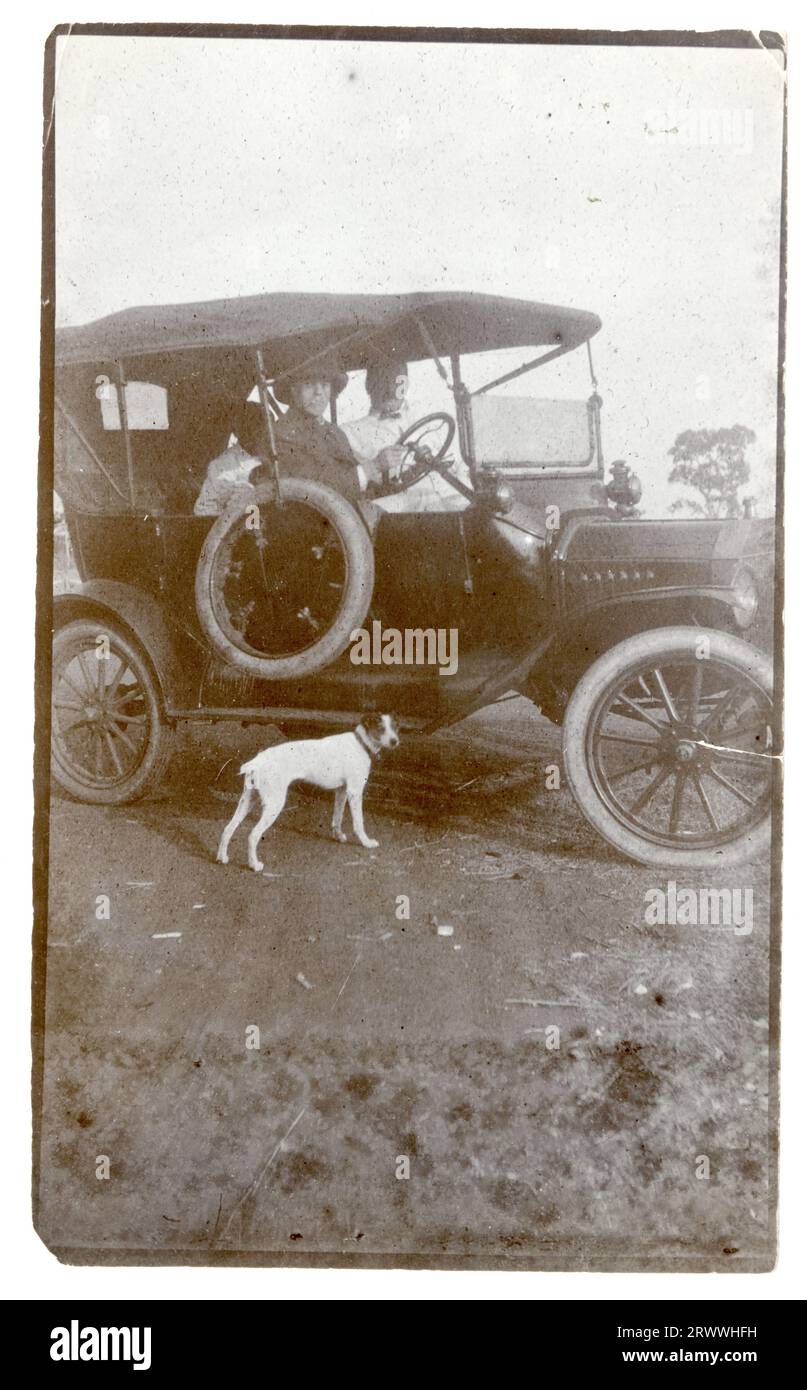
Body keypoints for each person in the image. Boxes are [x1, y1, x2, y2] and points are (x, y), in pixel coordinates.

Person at [342, 360, 471, 514]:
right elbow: (348, 483)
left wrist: (467, 496)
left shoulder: (433, 419)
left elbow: (462, 464)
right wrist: (377, 464)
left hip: (454, 500)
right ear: (369, 386)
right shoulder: (349, 432)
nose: (390, 388)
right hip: (406, 513)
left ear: (405, 384)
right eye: (382, 380)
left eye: (396, 380)